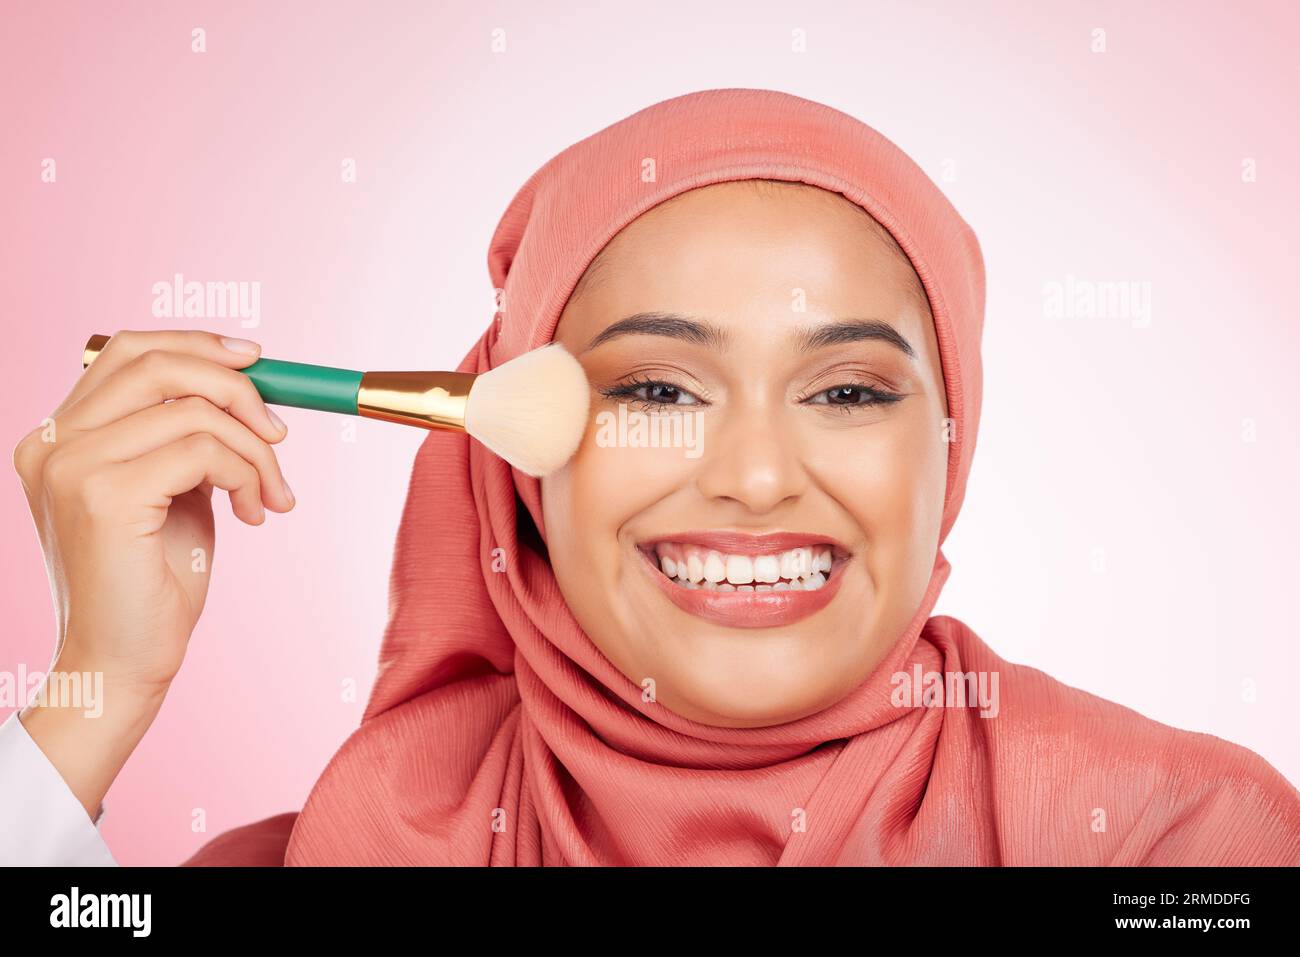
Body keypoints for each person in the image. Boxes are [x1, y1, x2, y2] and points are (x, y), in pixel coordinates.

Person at [4, 88, 1297, 866]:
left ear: (951, 447)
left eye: (847, 389)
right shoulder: (358, 845)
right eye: (655, 392)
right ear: (519, 466)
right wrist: (94, 697)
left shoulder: (1176, 840)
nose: (750, 475)